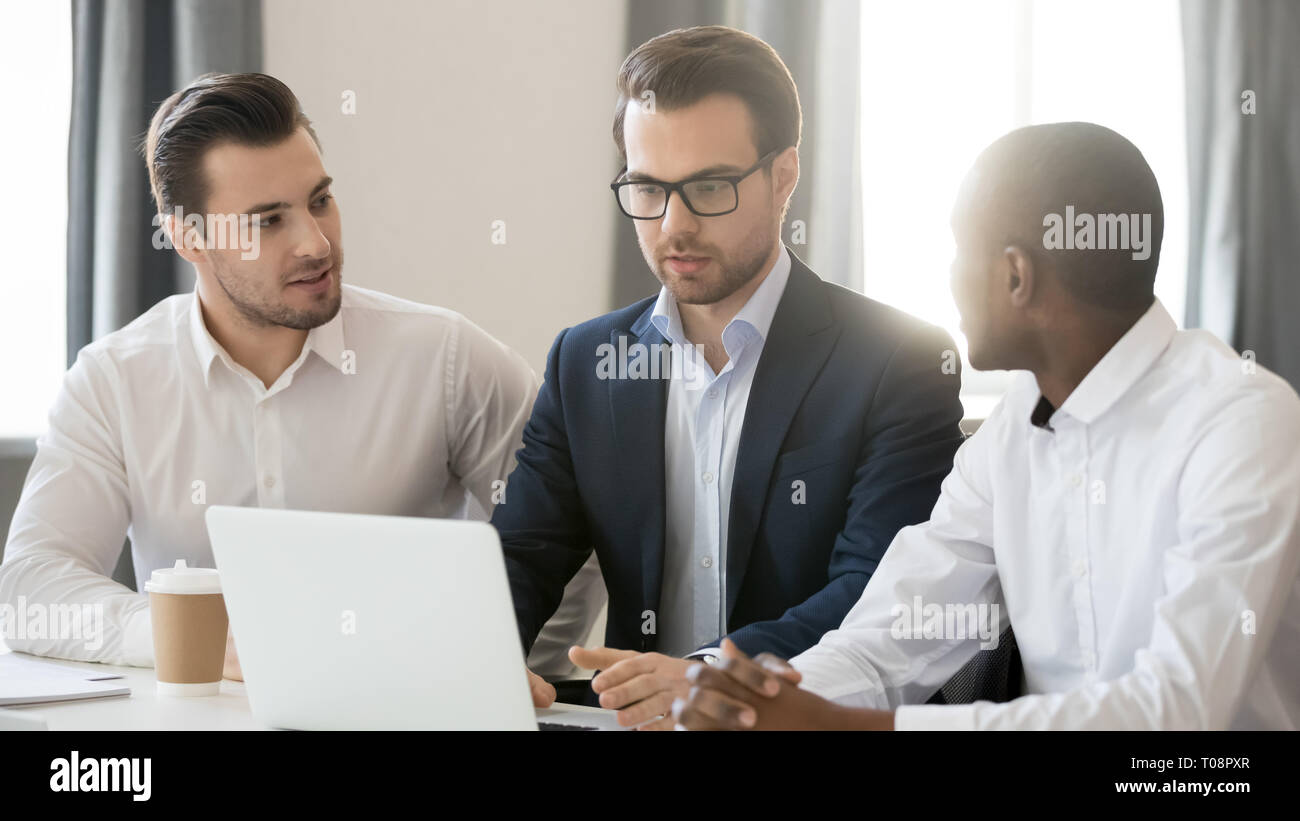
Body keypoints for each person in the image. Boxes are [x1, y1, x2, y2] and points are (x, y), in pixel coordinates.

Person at [671, 122, 1300, 731]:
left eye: (958, 249)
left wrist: (854, 729)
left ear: (1015, 276)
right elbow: (894, 638)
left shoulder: (1242, 422)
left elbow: (1177, 715)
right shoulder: (1009, 436)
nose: (949, 277)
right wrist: (758, 702)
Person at [0, 73, 601, 687]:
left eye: (319, 201)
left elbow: (571, 545)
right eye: (267, 221)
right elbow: (30, 588)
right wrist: (199, 642)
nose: (316, 244)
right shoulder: (113, 382)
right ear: (187, 237)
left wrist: (498, 673)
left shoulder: (446, 359)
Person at [493, 26, 966, 728]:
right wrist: (476, 653)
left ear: (784, 176)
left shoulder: (898, 361)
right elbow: (522, 556)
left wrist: (706, 677)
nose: (674, 225)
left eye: (709, 186)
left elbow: (874, 594)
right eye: (648, 188)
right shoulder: (584, 362)